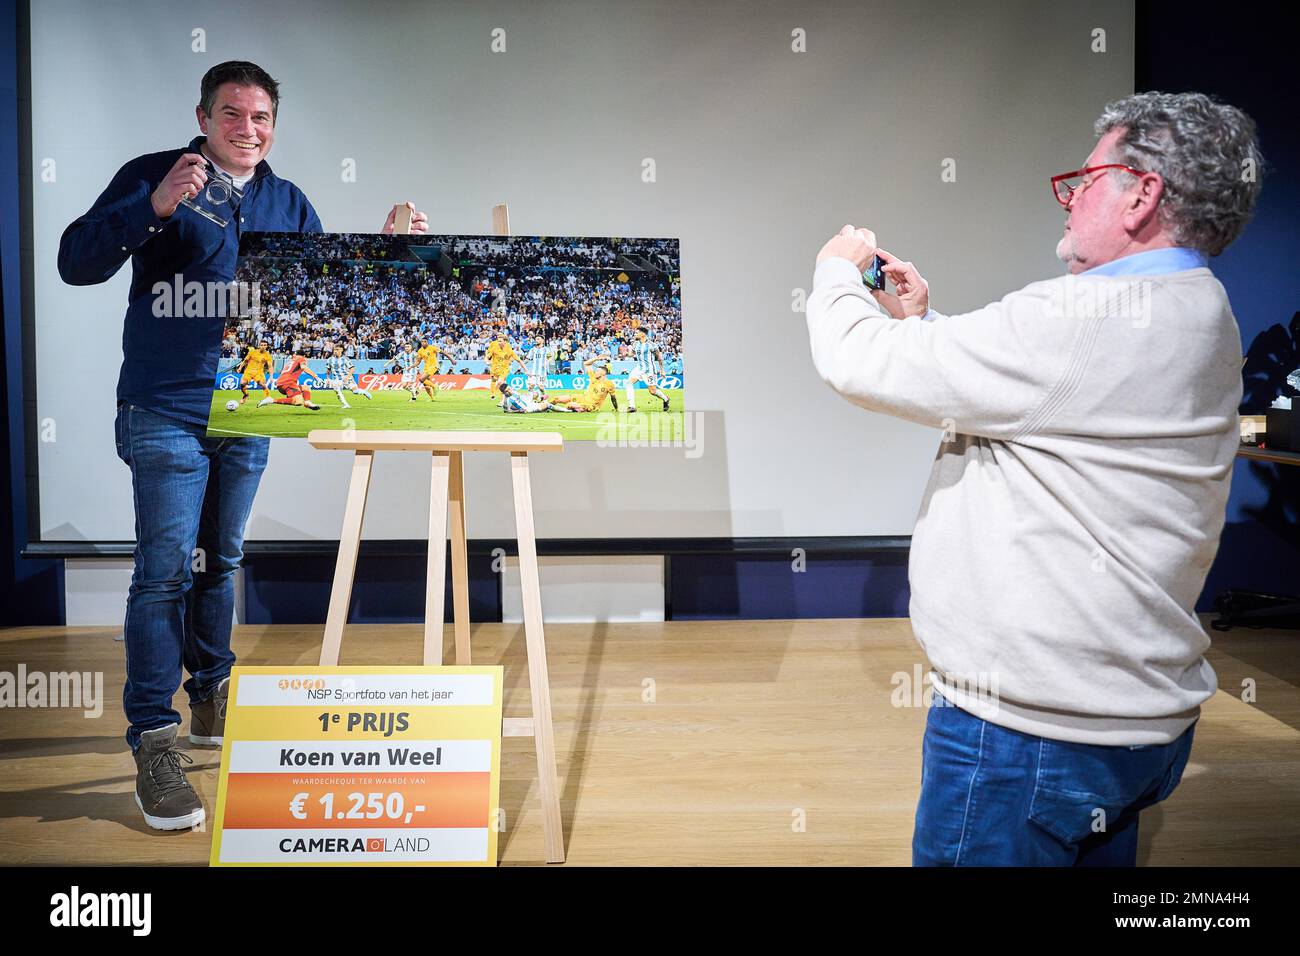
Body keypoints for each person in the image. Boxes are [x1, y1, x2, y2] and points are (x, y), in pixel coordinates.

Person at [805, 91, 1263, 866]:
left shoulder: (1088, 317)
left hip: (1027, 736)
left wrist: (833, 277)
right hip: (1126, 726)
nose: (1071, 196)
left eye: (1085, 180)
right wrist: (927, 323)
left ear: (1143, 195)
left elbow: (859, 363)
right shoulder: (1199, 306)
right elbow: (1062, 408)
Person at [57, 60, 428, 832]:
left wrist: (390, 256)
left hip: (248, 414)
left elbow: (329, 305)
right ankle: (154, 739)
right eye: (232, 114)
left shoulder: (288, 202)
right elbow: (76, 261)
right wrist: (153, 208)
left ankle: (210, 692)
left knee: (217, 562)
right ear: (202, 116)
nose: (247, 129)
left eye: (261, 118)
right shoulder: (153, 175)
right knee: (162, 574)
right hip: (164, 408)